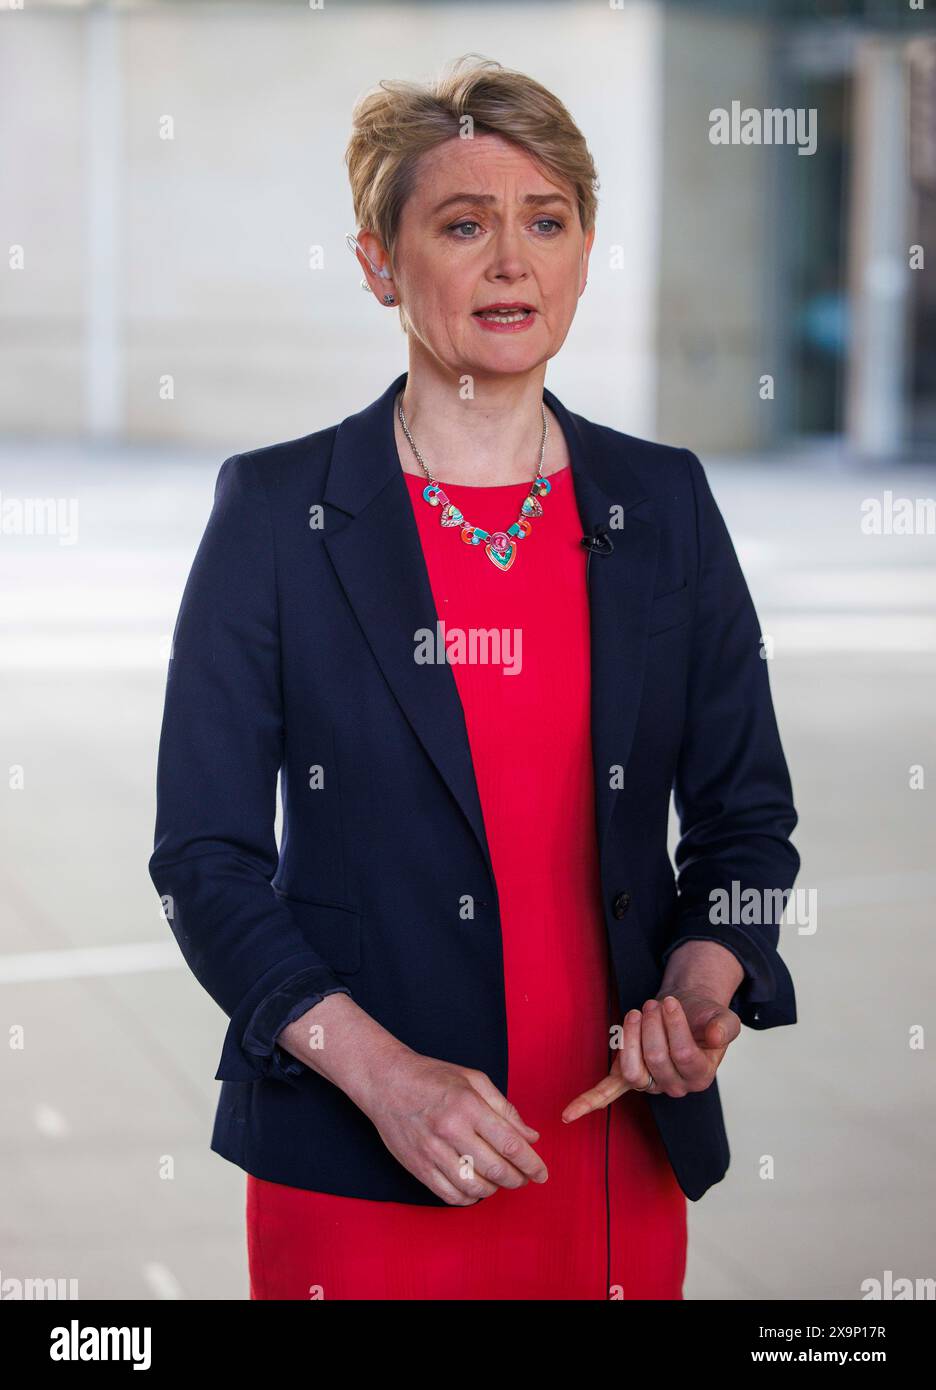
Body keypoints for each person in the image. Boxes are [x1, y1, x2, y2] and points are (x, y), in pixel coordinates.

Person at [148, 55, 799, 1301]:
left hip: (608, 1149)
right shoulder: (280, 513)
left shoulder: (664, 505)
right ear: (380, 264)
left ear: (585, 250)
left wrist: (701, 983)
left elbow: (748, 831)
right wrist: (386, 1078)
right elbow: (204, 861)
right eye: (465, 223)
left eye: (546, 222)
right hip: (357, 1159)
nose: (513, 260)